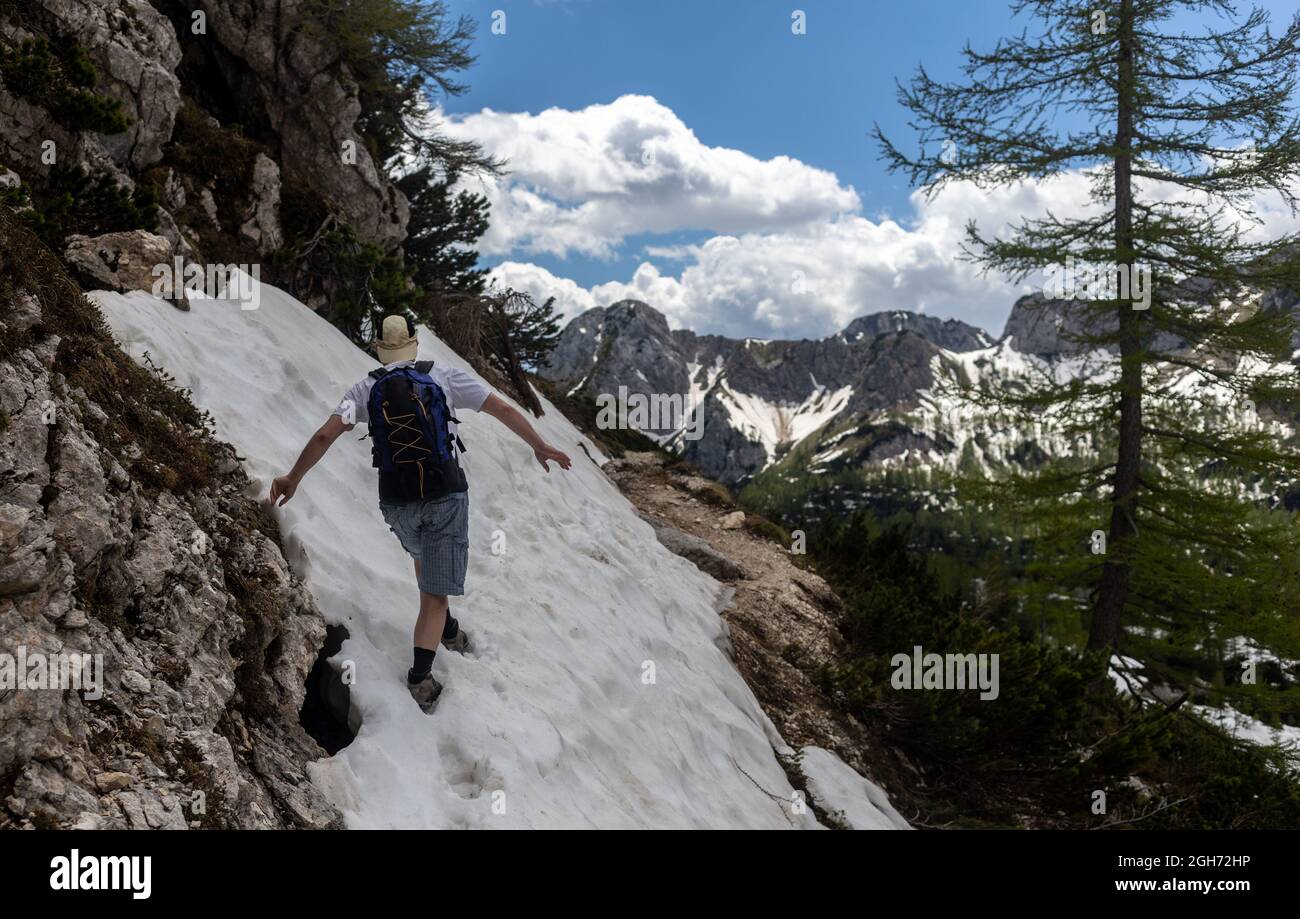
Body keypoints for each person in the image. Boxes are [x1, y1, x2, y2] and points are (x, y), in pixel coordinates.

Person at [269, 315, 572, 713]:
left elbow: (326, 434)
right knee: (435, 594)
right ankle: (421, 679)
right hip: (445, 494)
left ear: (379, 345)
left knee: (421, 556)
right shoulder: (443, 377)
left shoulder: (365, 388)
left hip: (396, 501)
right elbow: (499, 406)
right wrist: (539, 444)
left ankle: (445, 627)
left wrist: (294, 477)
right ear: (414, 343)